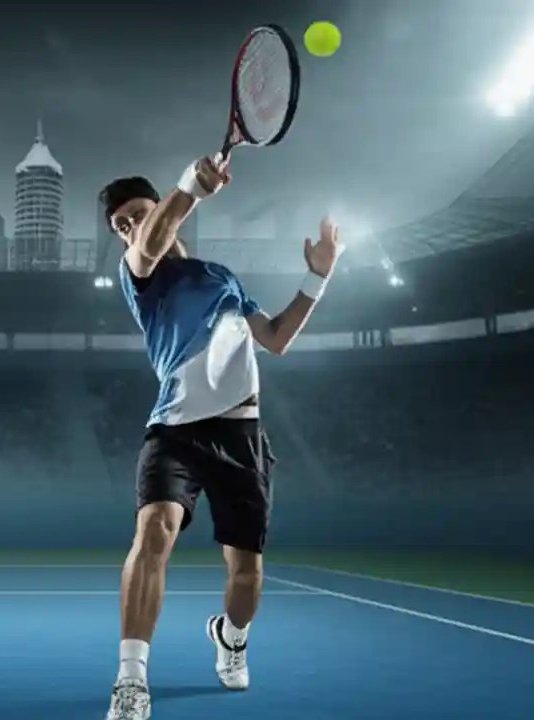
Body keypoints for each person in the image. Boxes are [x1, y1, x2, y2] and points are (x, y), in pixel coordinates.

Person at [99, 153, 341, 719]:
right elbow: (153, 240)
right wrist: (188, 189)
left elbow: (277, 339)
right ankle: (131, 681)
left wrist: (318, 276)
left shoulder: (223, 279)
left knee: (248, 575)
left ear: (156, 206)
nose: (132, 227)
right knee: (153, 530)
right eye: (121, 226)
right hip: (174, 431)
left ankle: (230, 639)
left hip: (241, 436)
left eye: (137, 213)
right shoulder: (142, 275)